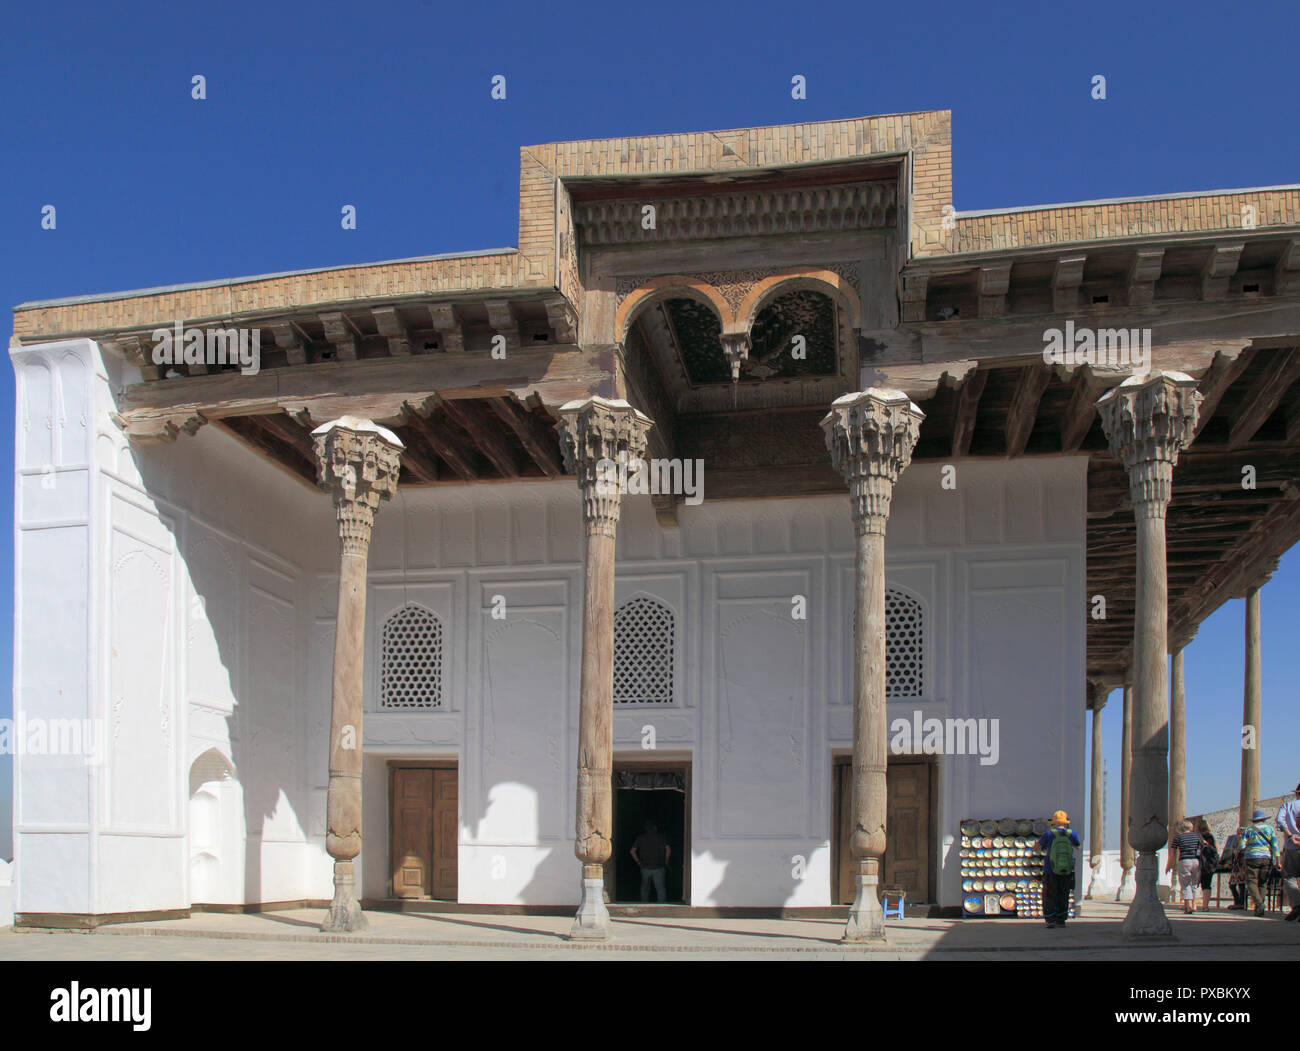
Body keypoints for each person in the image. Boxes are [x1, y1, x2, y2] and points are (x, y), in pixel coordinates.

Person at [1037, 810, 1080, 928]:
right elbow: (1078, 847)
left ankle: (1050, 919)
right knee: (1063, 893)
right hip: (1066, 869)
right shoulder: (1072, 834)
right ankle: (1061, 920)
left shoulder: (1049, 834)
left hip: (1050, 869)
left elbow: (1038, 847)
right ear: (1066, 822)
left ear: (1054, 822)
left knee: (1050, 894)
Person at [1238, 807, 1279, 917]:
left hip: (1251, 857)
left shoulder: (1248, 830)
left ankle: (1259, 903)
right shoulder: (1270, 829)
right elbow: (1274, 845)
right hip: (1266, 857)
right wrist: (1277, 860)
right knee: (1262, 882)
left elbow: (1241, 846)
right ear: (1264, 819)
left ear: (1254, 820)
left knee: (1252, 881)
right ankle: (1259, 906)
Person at [1166, 819, 1202, 914]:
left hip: (1184, 861)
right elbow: (1204, 845)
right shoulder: (1197, 836)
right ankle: (1194, 905)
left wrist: (1168, 865)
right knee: (1194, 884)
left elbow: (1172, 853)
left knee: (1185, 884)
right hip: (1196, 861)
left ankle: (1187, 906)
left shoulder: (1178, 837)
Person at [1276, 782, 1300, 922]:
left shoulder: (1288, 806)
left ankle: (1297, 904)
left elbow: (1280, 821)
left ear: (1296, 793)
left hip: (1292, 847)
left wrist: (1290, 835)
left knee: (1289, 876)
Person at [631, 820, 671, 904]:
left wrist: (638, 862)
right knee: (660, 888)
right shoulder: (661, 837)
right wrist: (666, 861)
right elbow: (668, 849)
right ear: (655, 828)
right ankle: (662, 906)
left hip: (645, 867)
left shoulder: (640, 838)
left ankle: (644, 904)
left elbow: (632, 851)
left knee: (645, 888)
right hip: (659, 867)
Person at [1197, 827, 1218, 912]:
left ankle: (1191, 905)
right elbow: (1216, 850)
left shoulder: (1198, 837)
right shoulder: (1210, 837)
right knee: (1207, 885)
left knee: (1196, 884)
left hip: (1201, 863)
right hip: (1210, 865)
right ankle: (1205, 906)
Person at [1224, 834, 1247, 910]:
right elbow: (1232, 855)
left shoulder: (1246, 845)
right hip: (1235, 867)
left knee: (1241, 885)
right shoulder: (1235, 844)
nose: (1239, 836)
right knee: (1232, 885)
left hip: (1242, 867)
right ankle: (1237, 902)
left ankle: (1240, 903)